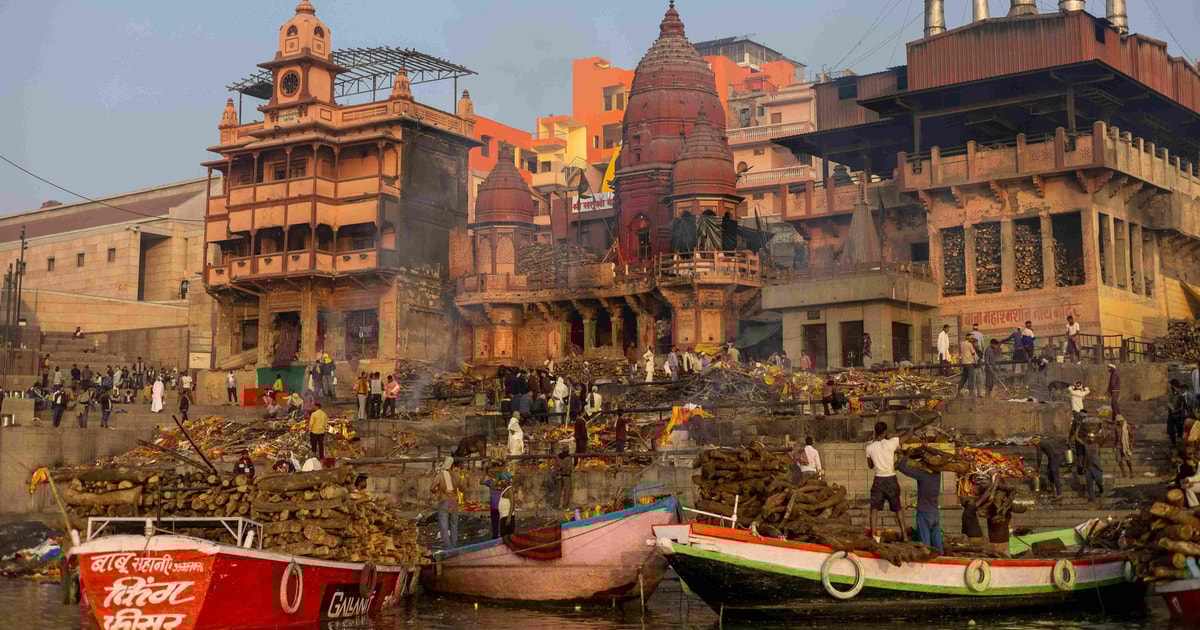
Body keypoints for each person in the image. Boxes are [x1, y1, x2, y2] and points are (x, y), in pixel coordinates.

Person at [865, 421, 914, 541]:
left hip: (878, 480)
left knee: (874, 509)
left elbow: (870, 465)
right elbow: (909, 435)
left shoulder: (869, 447)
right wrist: (911, 427)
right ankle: (904, 535)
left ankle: (873, 535)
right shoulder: (891, 443)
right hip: (891, 479)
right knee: (897, 508)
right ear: (885, 432)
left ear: (875, 432)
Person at [897, 454, 943, 553]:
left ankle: (927, 565)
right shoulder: (938, 474)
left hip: (924, 514)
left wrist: (906, 456)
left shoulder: (923, 475)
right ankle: (941, 559)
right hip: (935, 513)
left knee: (925, 545)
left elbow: (902, 468)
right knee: (937, 541)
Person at [430, 456, 459, 548]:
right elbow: (463, 488)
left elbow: (432, 488)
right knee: (454, 525)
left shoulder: (440, 475)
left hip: (444, 502)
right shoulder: (457, 476)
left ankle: (448, 547)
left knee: (444, 526)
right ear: (452, 465)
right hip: (453, 502)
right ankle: (454, 546)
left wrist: (438, 492)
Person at [1076, 430, 1104, 503]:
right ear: (1088, 438)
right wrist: (1077, 428)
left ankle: (1101, 489)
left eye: (1092, 437)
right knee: (1089, 484)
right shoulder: (1085, 445)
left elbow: (1104, 437)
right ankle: (1093, 498)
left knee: (1099, 481)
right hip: (1088, 467)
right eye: (1089, 437)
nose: (1091, 439)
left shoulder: (1097, 445)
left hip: (1096, 467)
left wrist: (1102, 427)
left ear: (1094, 438)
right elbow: (1076, 437)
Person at [481, 473, 504, 539]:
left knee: (501, 523)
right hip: (494, 506)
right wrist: (484, 473)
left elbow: (498, 487)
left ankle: (501, 538)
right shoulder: (490, 481)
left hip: (501, 506)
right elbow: (481, 482)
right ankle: (495, 538)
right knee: (494, 524)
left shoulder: (502, 482)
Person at [1168, 379, 1189, 447]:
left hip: (1178, 415)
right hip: (1171, 414)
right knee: (1170, 430)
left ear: (1173, 386)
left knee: (1179, 430)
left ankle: (1179, 445)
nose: (1170, 386)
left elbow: (1184, 405)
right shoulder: (1172, 392)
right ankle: (1173, 443)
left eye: (1171, 385)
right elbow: (1169, 402)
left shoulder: (1180, 394)